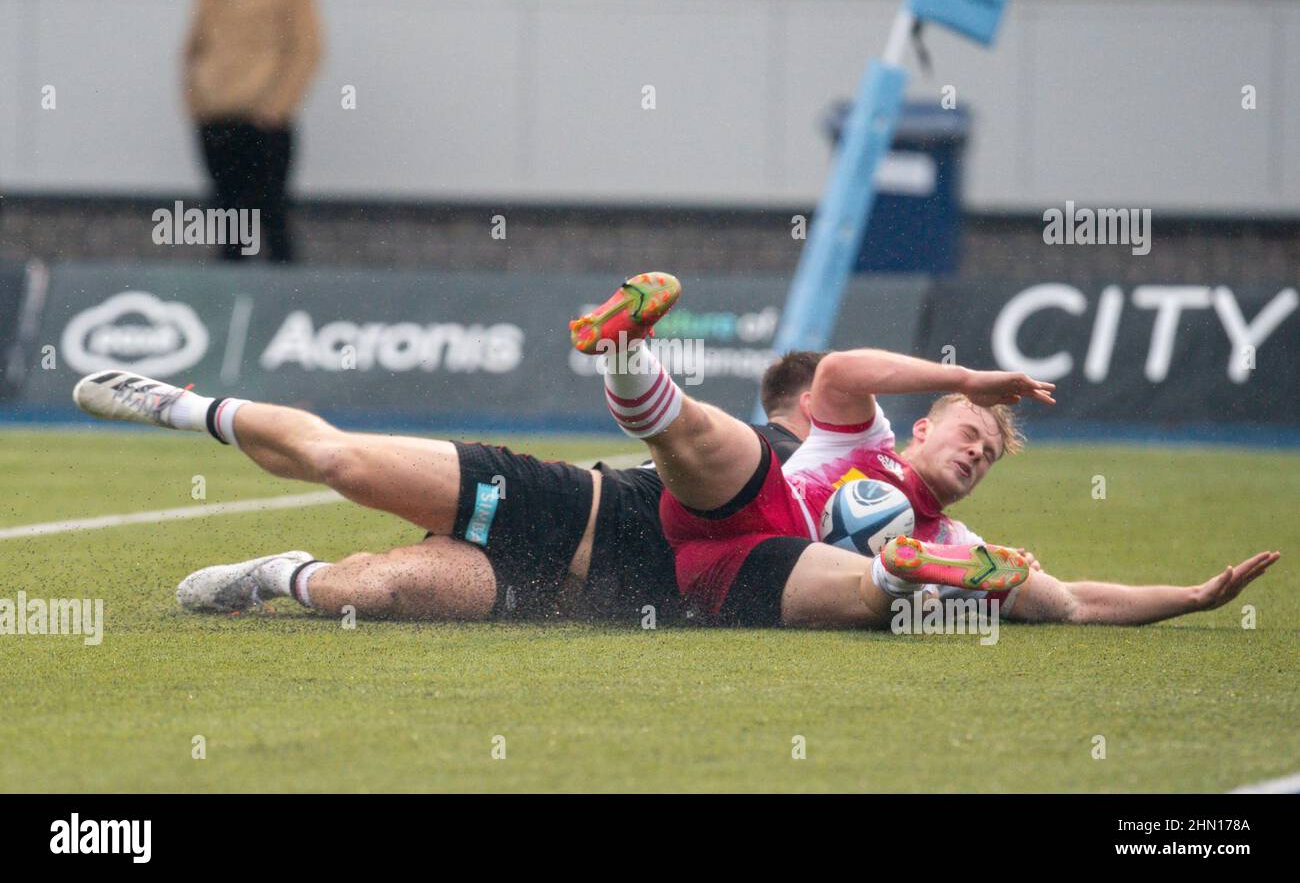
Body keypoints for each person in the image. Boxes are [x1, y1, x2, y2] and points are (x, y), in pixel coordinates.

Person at [568, 272, 1282, 629]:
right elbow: (840, 373)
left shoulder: (955, 534)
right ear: (921, 430)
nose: (976, 453)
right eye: (969, 433)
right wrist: (969, 379)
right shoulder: (863, 439)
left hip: (776, 569)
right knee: (703, 434)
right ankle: (626, 347)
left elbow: (1072, 604)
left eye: (988, 456)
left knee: (900, 593)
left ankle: (901, 578)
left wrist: (1193, 597)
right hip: (759, 509)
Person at [70, 353, 820, 623]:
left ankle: (276, 573)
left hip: (557, 592)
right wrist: (948, 378)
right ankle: (183, 406)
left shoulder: (876, 500)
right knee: (343, 465)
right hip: (562, 511)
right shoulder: (782, 450)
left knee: (367, 596)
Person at [183, 0, 322, 262]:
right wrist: (198, 102)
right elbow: (194, 48)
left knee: (271, 208)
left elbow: (306, 49)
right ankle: (230, 293)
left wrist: (278, 106)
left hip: (264, 119)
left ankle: (286, 295)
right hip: (218, 116)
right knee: (227, 212)